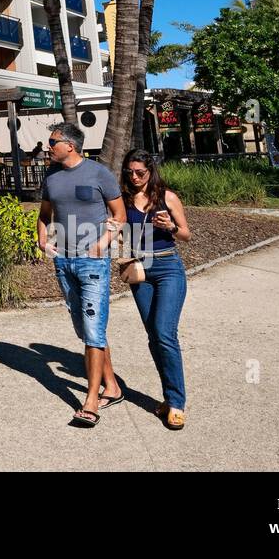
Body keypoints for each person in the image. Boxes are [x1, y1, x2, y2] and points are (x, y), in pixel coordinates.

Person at [36, 121, 126, 428]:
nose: (48, 146)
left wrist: (101, 245)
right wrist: (42, 239)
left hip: (93, 264)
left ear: (70, 145)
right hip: (64, 263)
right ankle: (112, 387)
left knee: (92, 330)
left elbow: (120, 216)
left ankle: (90, 402)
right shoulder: (51, 176)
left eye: (52, 142)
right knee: (87, 329)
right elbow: (45, 213)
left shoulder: (99, 173)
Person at [120, 149, 191, 431]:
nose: (135, 178)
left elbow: (186, 234)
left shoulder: (167, 197)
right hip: (140, 270)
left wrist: (171, 226)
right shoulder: (123, 200)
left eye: (140, 173)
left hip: (168, 268)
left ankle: (176, 404)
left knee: (164, 332)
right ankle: (167, 397)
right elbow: (119, 231)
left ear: (151, 171)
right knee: (153, 336)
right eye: (130, 173)